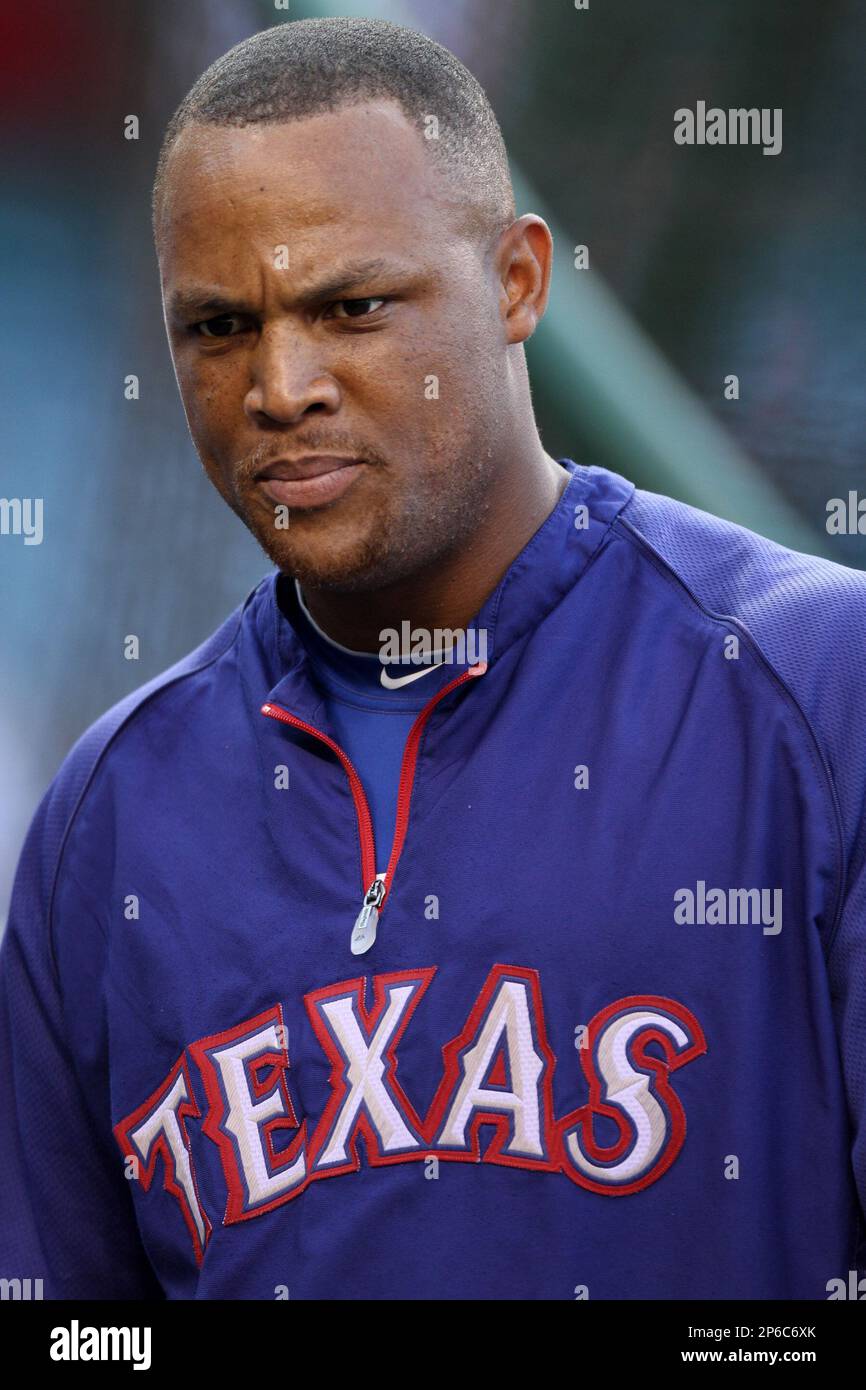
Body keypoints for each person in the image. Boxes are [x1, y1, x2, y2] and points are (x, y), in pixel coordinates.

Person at [2, 16, 865, 1301]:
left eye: (351, 306)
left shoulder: (811, 684)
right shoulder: (109, 818)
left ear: (517, 281)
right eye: (220, 327)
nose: (279, 384)